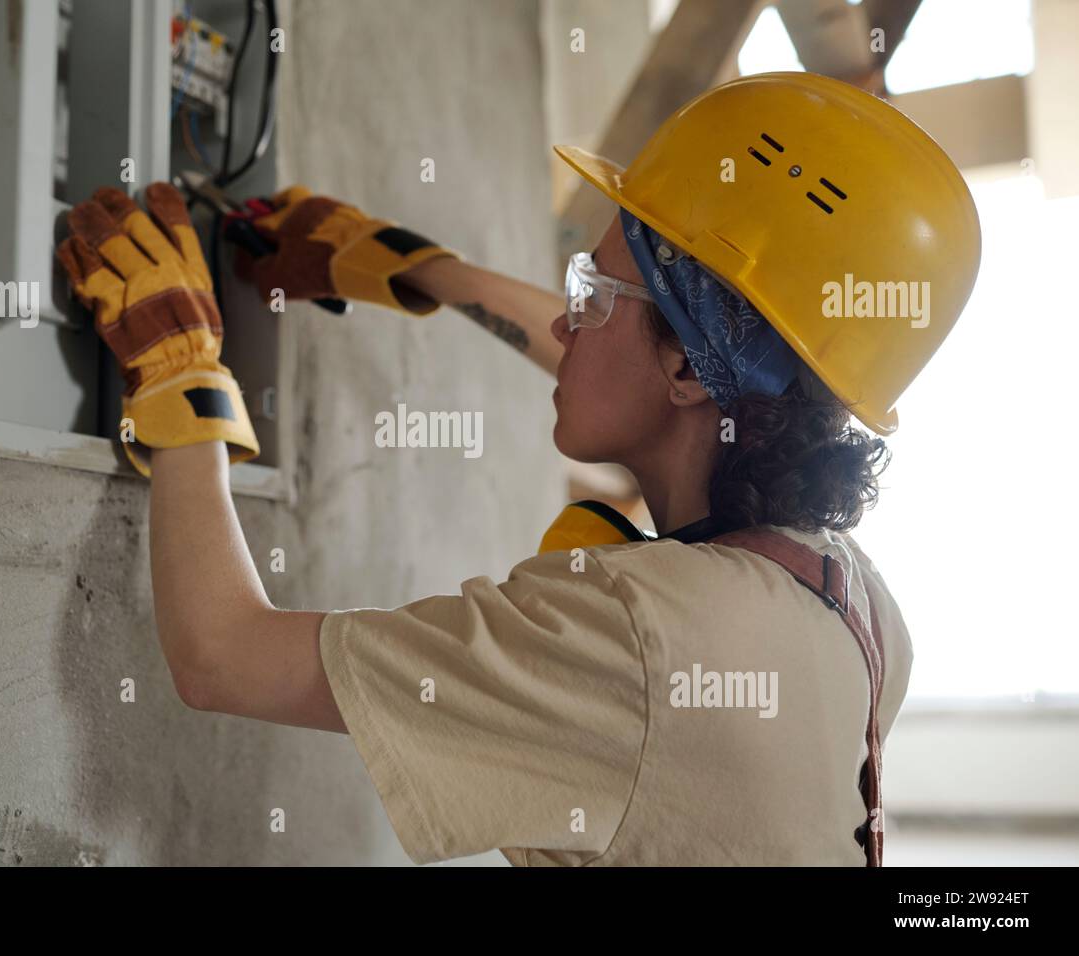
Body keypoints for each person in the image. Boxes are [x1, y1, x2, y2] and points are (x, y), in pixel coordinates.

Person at [55, 72, 981, 866]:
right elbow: (656, 368)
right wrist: (422, 272)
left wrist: (185, 382)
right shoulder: (854, 599)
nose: (563, 320)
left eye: (590, 290)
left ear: (692, 371)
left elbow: (221, 658)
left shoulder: (632, 637)